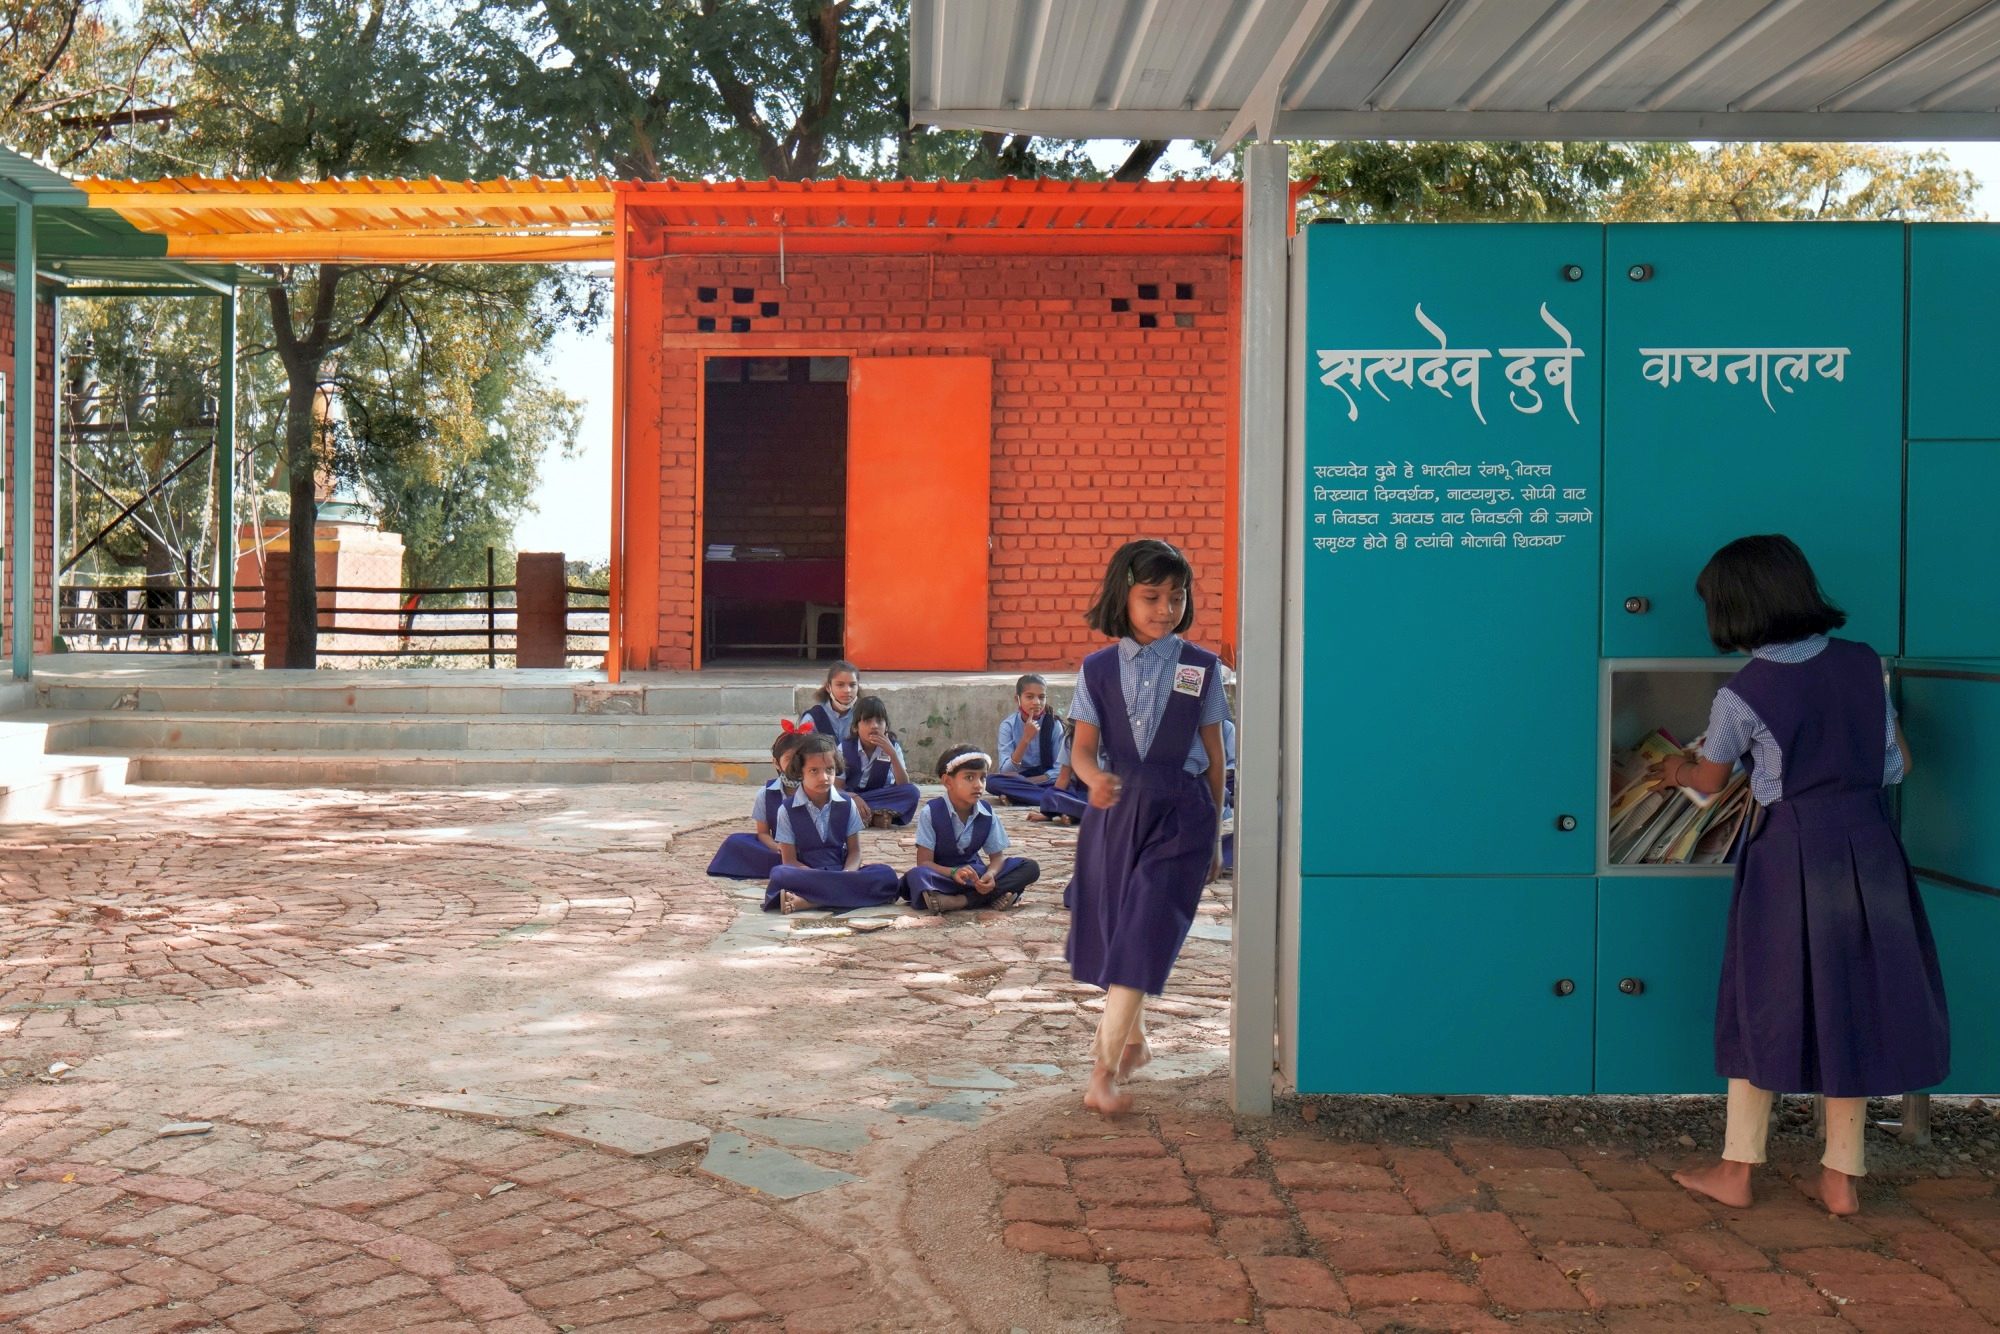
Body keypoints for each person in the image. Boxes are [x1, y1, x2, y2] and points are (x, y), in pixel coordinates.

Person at [1665, 535, 1947, 1217]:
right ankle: (1842, 1178)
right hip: (1871, 848)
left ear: (1735, 609)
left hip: (1788, 857)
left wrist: (1674, 769)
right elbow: (1897, 765)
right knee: (1854, 999)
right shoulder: (1862, 663)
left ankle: (1737, 1170)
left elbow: (1710, 779)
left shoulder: (1742, 693)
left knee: (1761, 998)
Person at [1064, 539, 1230, 1116]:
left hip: (1183, 815)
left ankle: (1102, 1072)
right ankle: (1134, 1041)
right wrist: (1093, 780)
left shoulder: (1201, 668)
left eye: (1176, 597)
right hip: (1116, 814)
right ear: (1124, 597)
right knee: (1118, 930)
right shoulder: (1096, 670)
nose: (1165, 609)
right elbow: (1083, 750)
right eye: (1151, 597)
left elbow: (1216, 760)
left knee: (1145, 931)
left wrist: (1215, 840)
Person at [764, 733, 900, 914]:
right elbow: (789, 861)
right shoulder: (786, 809)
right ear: (800, 772)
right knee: (780, 874)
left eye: (829, 769)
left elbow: (855, 852)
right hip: (807, 875)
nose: (824, 777)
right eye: (814, 771)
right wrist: (823, 877)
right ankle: (844, 896)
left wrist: (847, 875)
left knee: (886, 874)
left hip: (841, 870)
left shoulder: (847, 804)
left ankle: (811, 901)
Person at [901, 745, 1042, 914]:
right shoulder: (931, 812)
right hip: (943, 877)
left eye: (982, 778)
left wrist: (991, 874)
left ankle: (960, 901)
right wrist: (953, 872)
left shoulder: (988, 813)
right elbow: (924, 863)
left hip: (975, 876)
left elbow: (997, 858)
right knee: (918, 875)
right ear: (948, 782)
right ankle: (993, 896)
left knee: (1030, 867)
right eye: (969, 777)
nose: (978, 785)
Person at [706, 724, 814, 879]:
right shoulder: (765, 794)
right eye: (789, 759)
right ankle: (789, 865)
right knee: (735, 842)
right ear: (776, 763)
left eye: (801, 758)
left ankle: (798, 865)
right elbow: (763, 833)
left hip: (813, 848)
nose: (795, 764)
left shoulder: (817, 789)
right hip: (780, 850)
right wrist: (776, 847)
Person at [988, 674, 1073, 808]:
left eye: (1041, 697)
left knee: (1070, 784)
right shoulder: (1008, 726)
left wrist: (1028, 782)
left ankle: (1017, 796)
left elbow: (1059, 770)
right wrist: (1025, 739)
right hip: (1018, 777)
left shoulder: (1054, 725)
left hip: (1044, 778)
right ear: (1017, 699)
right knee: (991, 781)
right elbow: (1005, 771)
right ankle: (1051, 799)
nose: (1036, 702)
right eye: (1029, 697)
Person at [840, 696, 921, 827]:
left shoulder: (893, 747)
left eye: (879, 721)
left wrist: (892, 755)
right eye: (867, 721)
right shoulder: (844, 748)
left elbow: (903, 784)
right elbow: (836, 788)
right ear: (855, 727)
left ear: (886, 726)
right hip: (852, 797)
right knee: (835, 800)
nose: (874, 726)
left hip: (880, 796)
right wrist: (853, 797)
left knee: (912, 792)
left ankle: (863, 815)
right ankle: (873, 817)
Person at [800, 660, 861, 744]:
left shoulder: (864, 716)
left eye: (852, 685)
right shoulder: (812, 719)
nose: (847, 690)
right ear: (828, 687)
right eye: (840, 685)